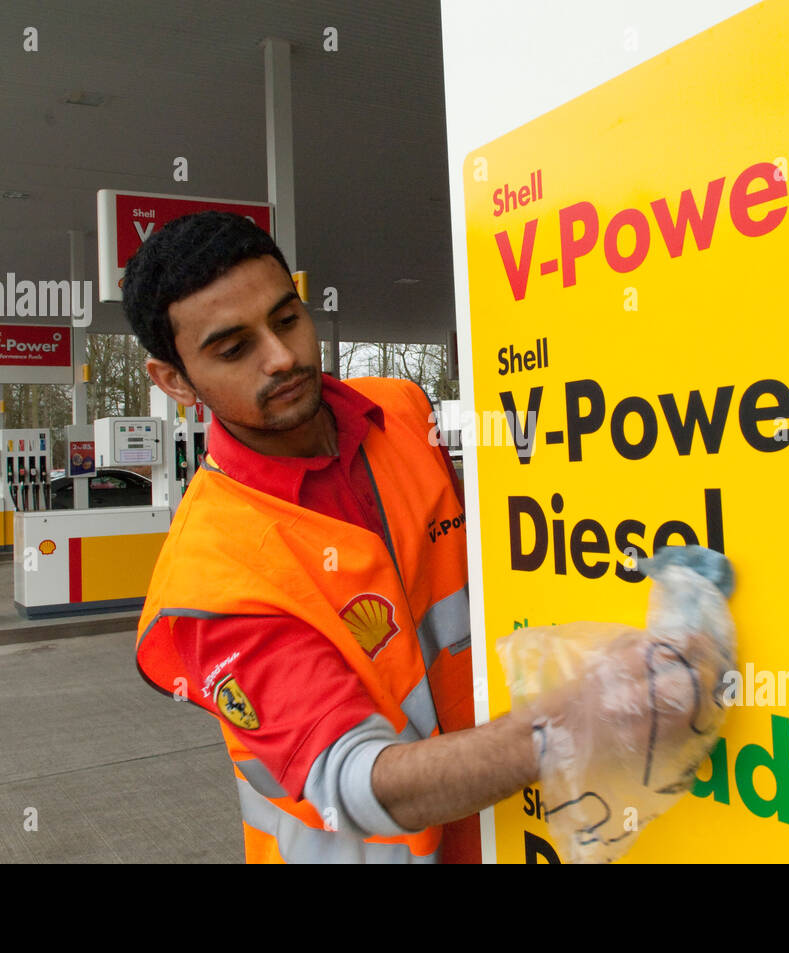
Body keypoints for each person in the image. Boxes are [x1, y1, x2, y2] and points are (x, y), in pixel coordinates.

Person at [123, 211, 543, 864]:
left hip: (505, 829)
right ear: (174, 380)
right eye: (234, 348)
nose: (282, 357)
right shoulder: (208, 578)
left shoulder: (401, 413)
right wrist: (565, 730)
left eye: (287, 318)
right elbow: (355, 781)